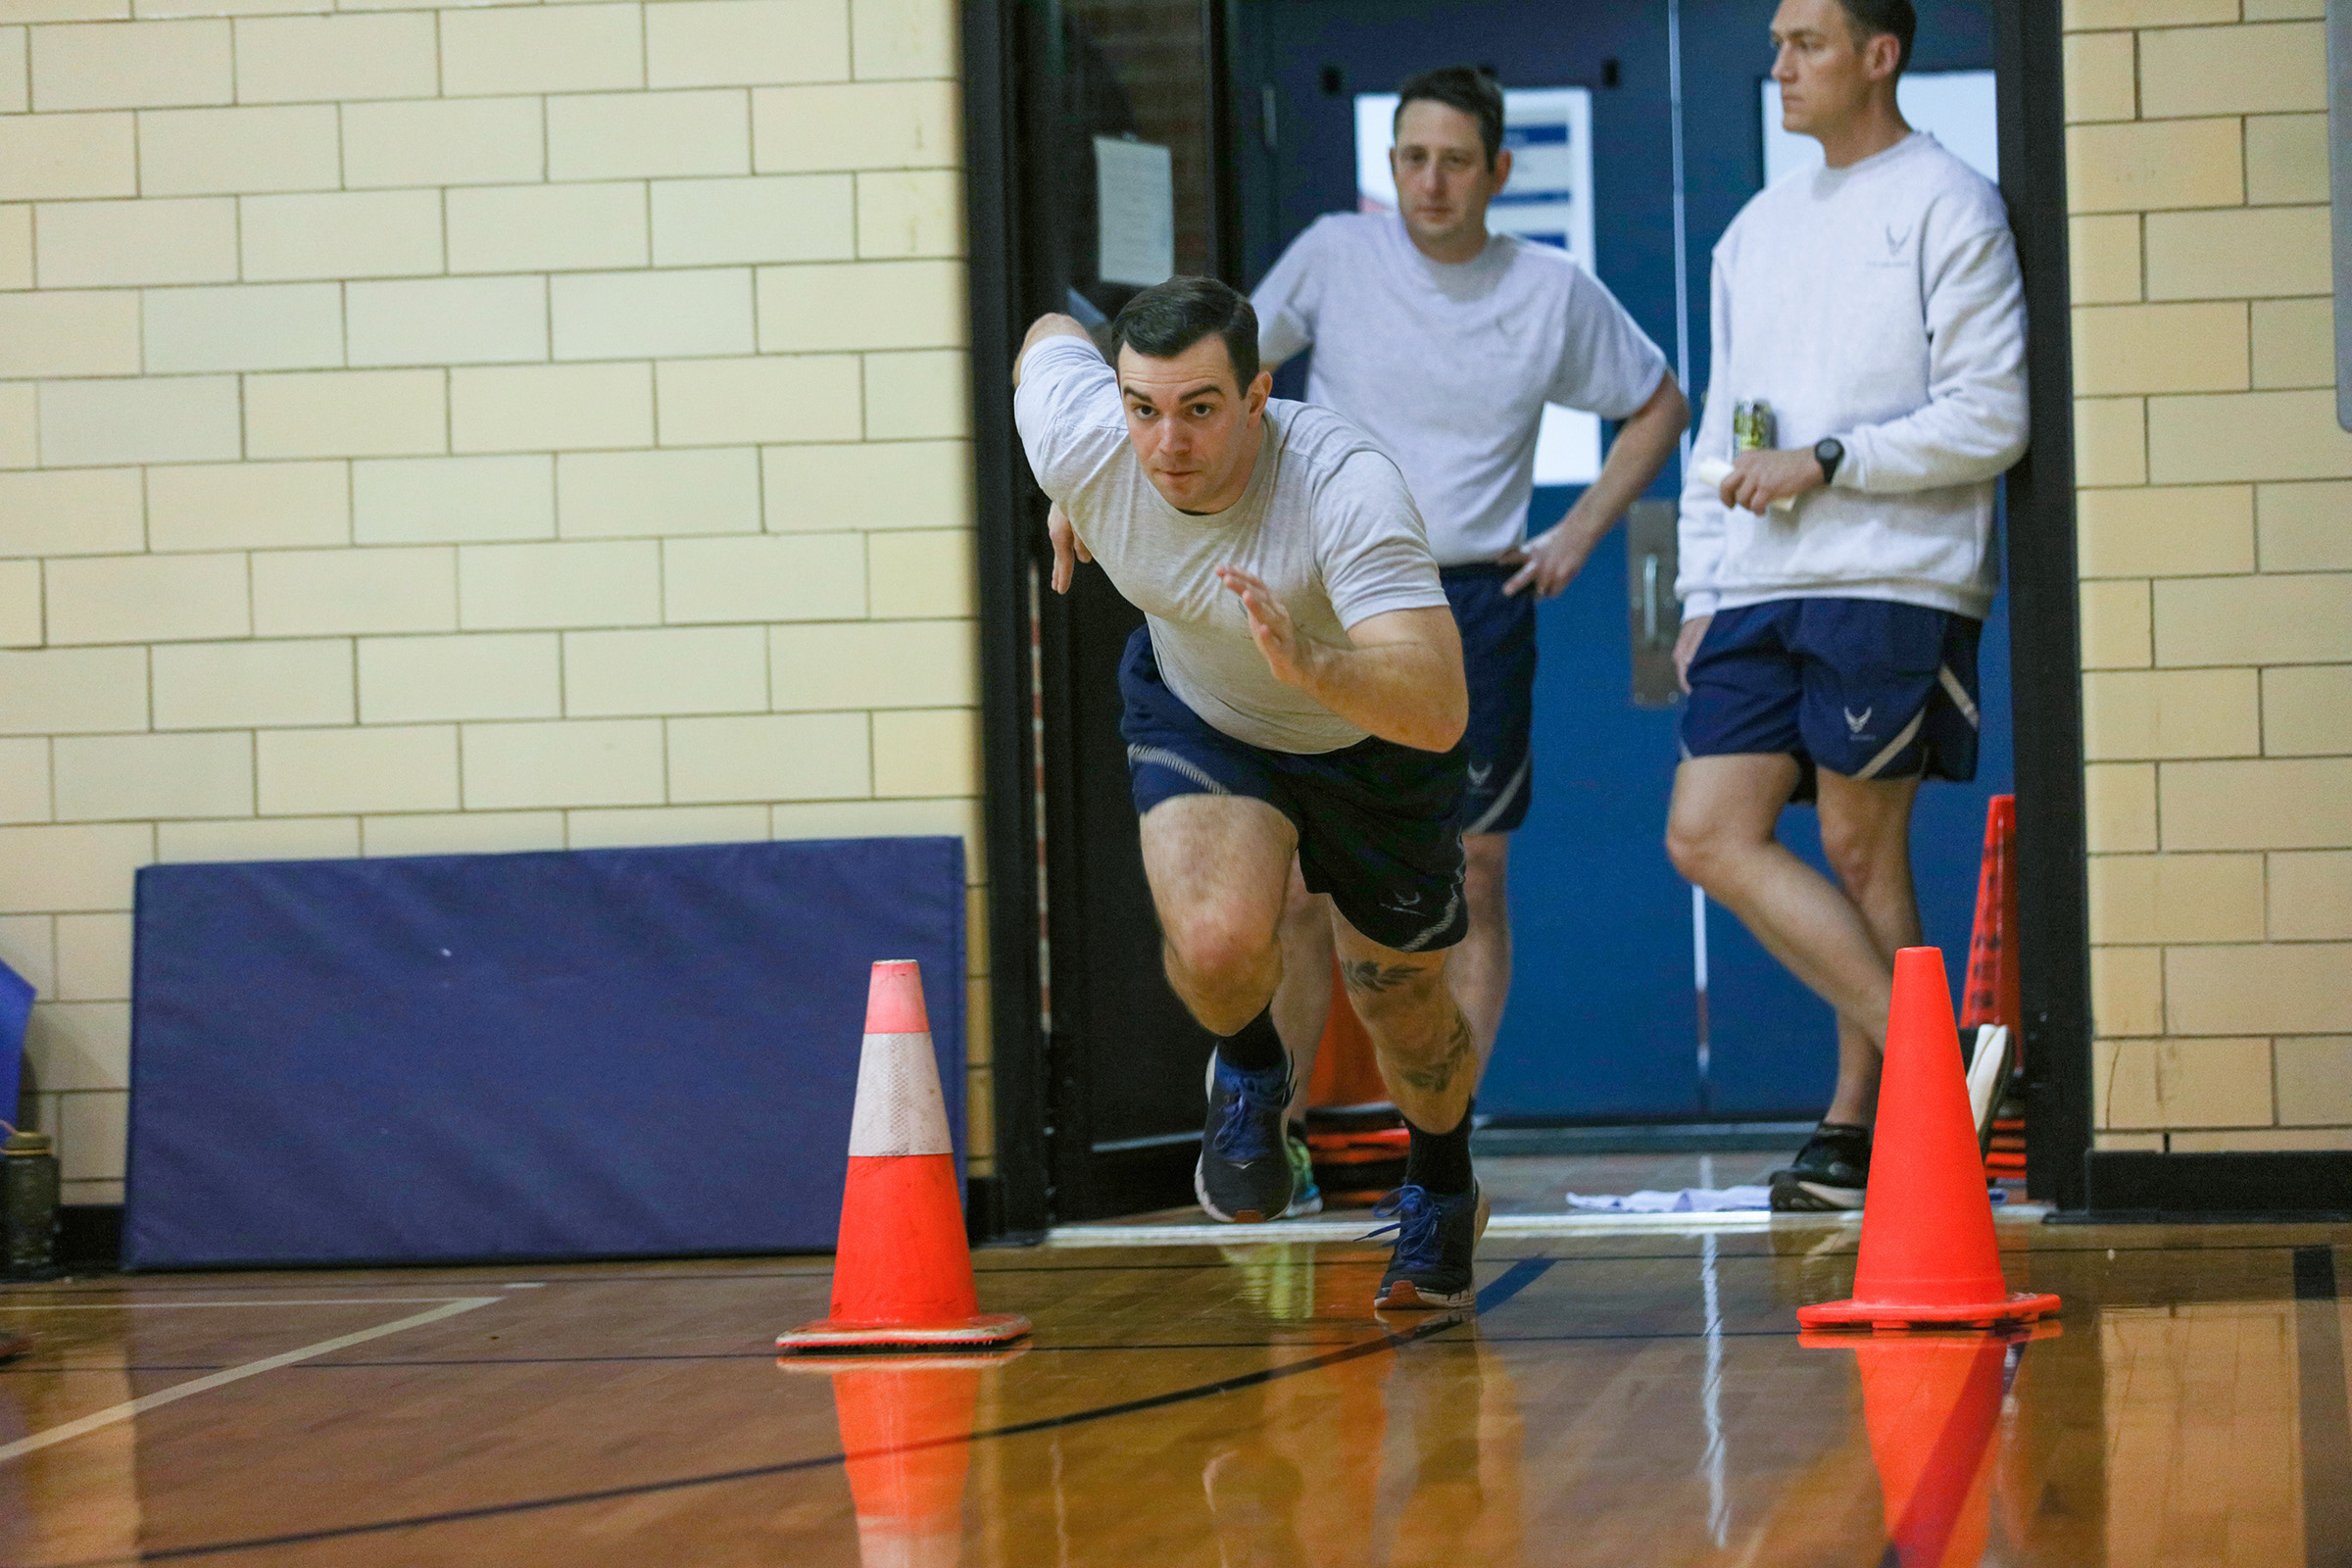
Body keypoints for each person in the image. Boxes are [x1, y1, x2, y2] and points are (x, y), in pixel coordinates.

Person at [1247, 66, 1688, 1210]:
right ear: (1386, 168)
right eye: (1409, 159)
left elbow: (1658, 402)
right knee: (1298, 883)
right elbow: (1228, 364)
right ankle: (1280, 1136)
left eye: (1452, 160)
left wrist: (1583, 528)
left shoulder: (1549, 289)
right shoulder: (1335, 256)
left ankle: (1441, 1145)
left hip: (1472, 605)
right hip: (1331, 597)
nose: (1429, 182)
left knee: (1473, 873)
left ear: (1498, 170)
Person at [1013, 276, 1486, 1307]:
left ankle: (1444, 1179)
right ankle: (1254, 1069)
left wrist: (1314, 663)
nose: (1166, 441)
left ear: (1258, 396)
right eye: (1143, 409)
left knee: (1397, 1002)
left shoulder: (1343, 484)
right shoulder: (1087, 441)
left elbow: (1440, 705)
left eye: (1198, 409)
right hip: (1207, 714)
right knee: (1220, 945)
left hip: (1373, 737)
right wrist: (1071, 489)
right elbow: (1049, 331)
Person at [1665, 0, 2028, 1209]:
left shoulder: (1949, 203)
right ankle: (1948, 1065)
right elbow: (1721, 430)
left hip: (1892, 572)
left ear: (1881, 55)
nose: (1779, 65)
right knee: (1706, 830)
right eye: (1776, 42)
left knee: (1860, 849)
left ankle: (1857, 1123)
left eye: (1806, 42)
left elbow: (1993, 415)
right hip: (1757, 585)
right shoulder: (1754, 231)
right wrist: (1702, 586)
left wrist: (1830, 458)